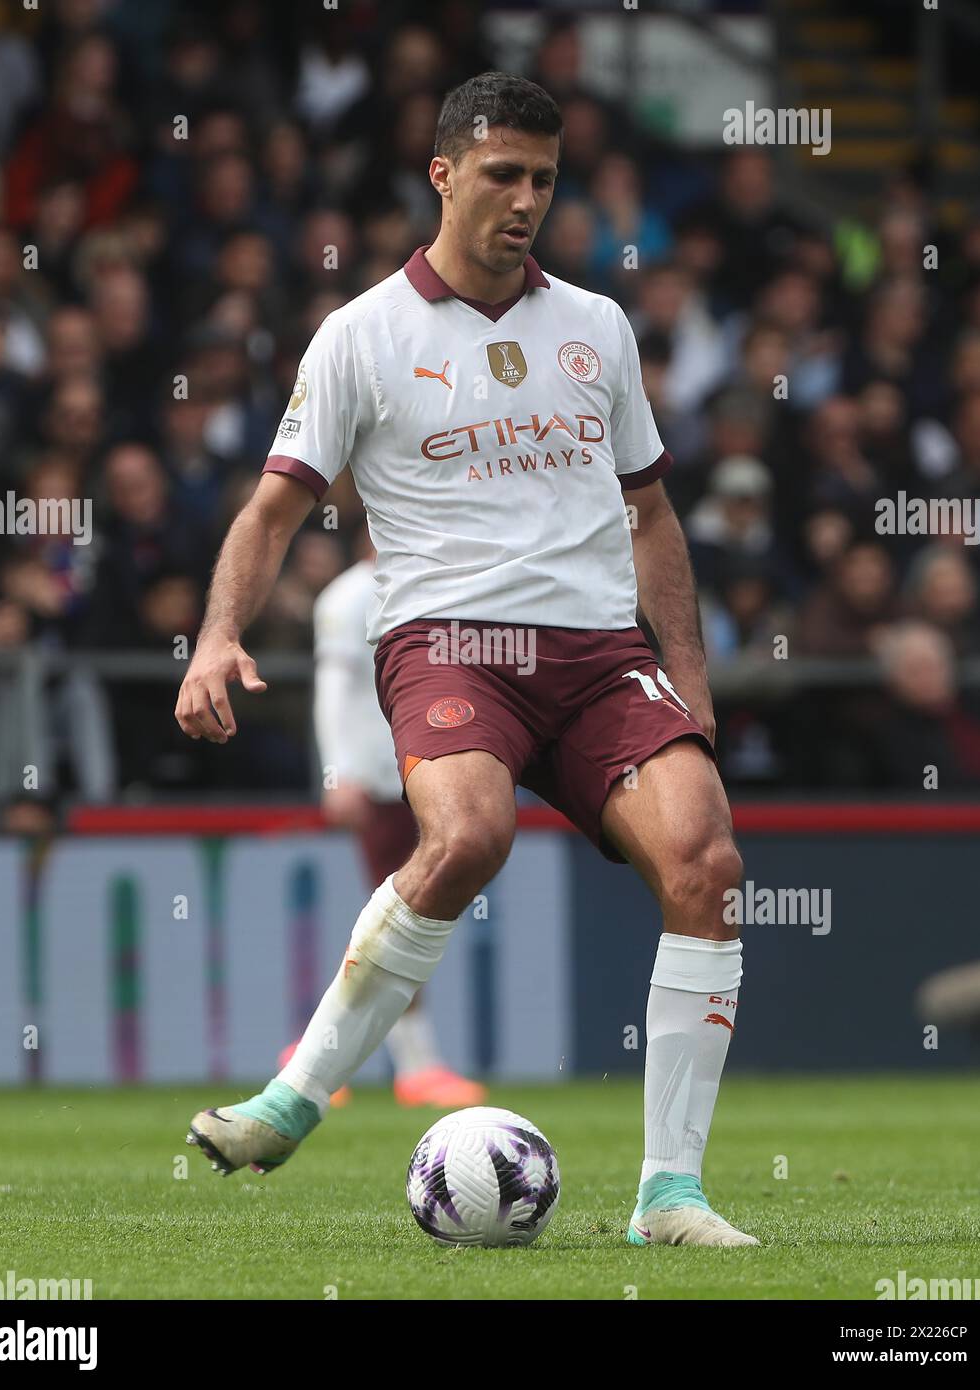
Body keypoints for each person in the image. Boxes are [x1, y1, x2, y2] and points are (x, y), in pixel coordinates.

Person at [177, 73, 754, 1247]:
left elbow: (651, 515)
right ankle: (295, 1097)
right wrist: (219, 634)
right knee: (469, 835)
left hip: (598, 657)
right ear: (442, 175)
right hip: (452, 645)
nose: (526, 199)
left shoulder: (597, 326)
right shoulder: (362, 335)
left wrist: (685, 678)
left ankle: (670, 1196)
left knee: (708, 860)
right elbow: (273, 511)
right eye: (503, 174)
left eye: (544, 178)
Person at [278, 529, 486, 1109]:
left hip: (423, 774)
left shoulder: (435, 585)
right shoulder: (347, 598)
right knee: (406, 916)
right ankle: (416, 1067)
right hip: (376, 779)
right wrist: (337, 773)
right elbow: (333, 689)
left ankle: (317, 1049)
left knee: (402, 915)